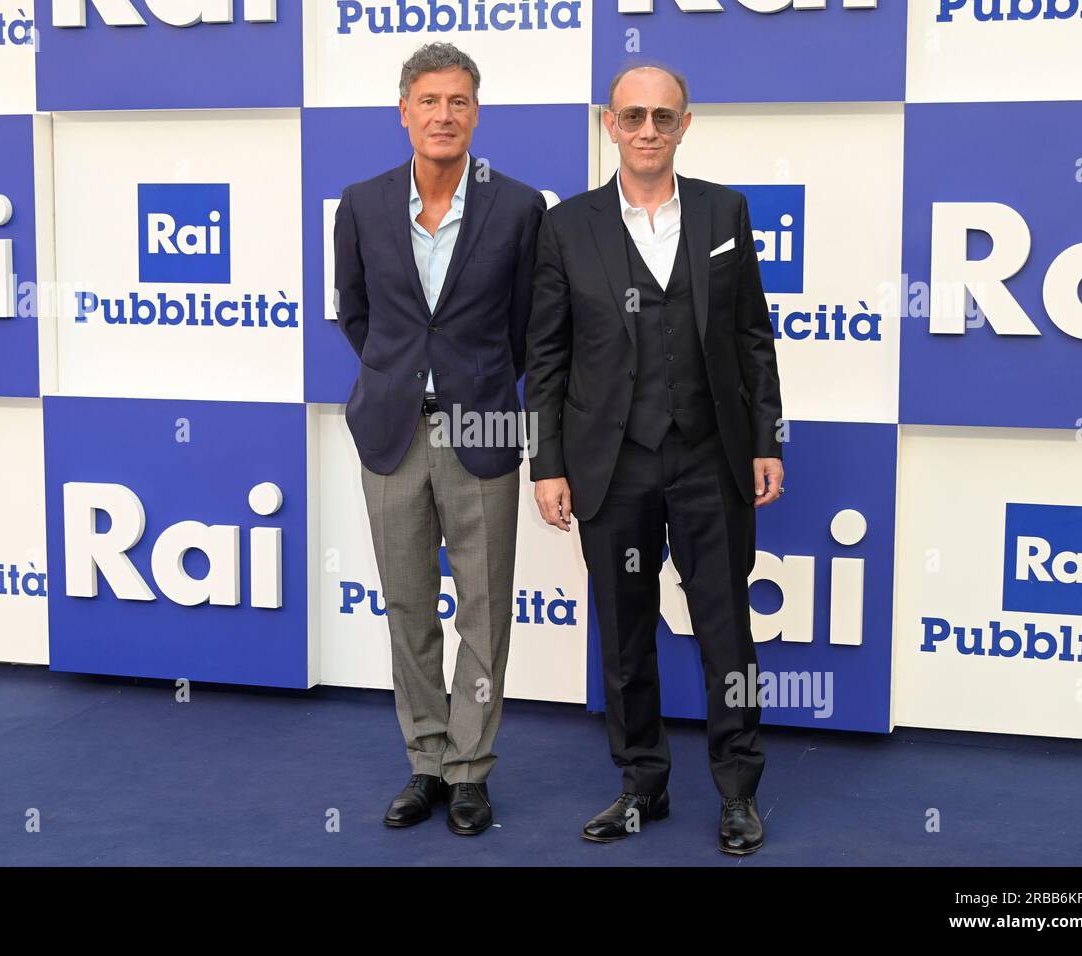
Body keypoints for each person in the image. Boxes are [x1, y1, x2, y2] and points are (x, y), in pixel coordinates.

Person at [524, 64, 785, 854]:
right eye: (632, 115)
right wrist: (547, 461)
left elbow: (752, 340)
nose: (647, 129)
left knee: (725, 633)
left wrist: (766, 440)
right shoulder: (567, 226)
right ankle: (642, 786)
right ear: (610, 123)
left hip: (712, 458)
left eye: (662, 117)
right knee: (624, 634)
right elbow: (548, 355)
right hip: (612, 464)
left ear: (685, 124)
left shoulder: (724, 212)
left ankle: (738, 793)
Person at [333, 42, 546, 836]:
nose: (443, 116)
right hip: (391, 432)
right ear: (404, 110)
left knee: (485, 613)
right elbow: (358, 317)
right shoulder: (360, 203)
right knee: (406, 605)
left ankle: (470, 771)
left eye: (458, 102)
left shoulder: (520, 208)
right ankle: (425, 761)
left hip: (483, 431)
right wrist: (401, 379)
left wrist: (475, 383)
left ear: (476, 113)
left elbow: (529, 329)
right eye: (429, 101)